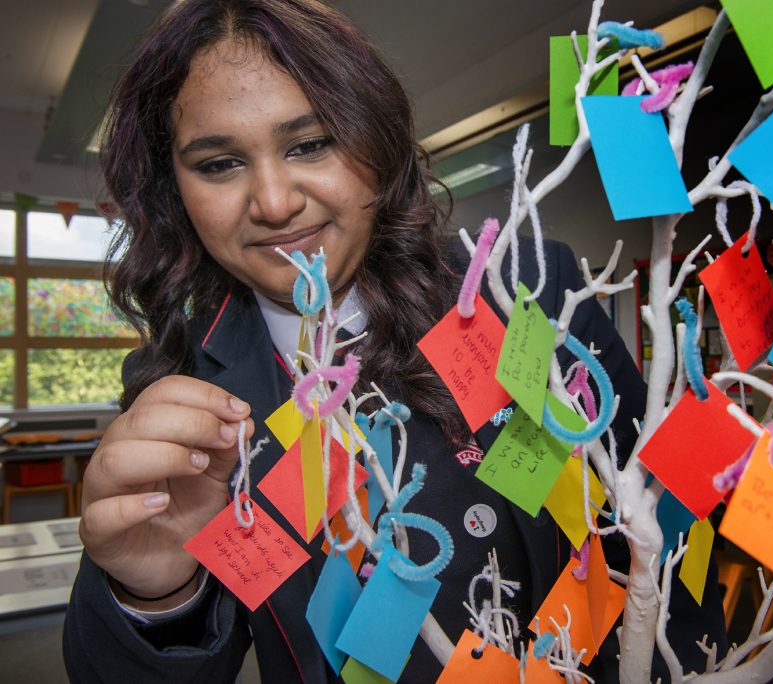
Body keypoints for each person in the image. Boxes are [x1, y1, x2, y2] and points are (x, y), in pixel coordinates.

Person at [63, 1, 727, 681]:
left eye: (310, 144)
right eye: (220, 163)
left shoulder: (525, 294)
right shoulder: (184, 385)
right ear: (173, 189)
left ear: (376, 142)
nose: (274, 202)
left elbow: (664, 535)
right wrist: (157, 595)